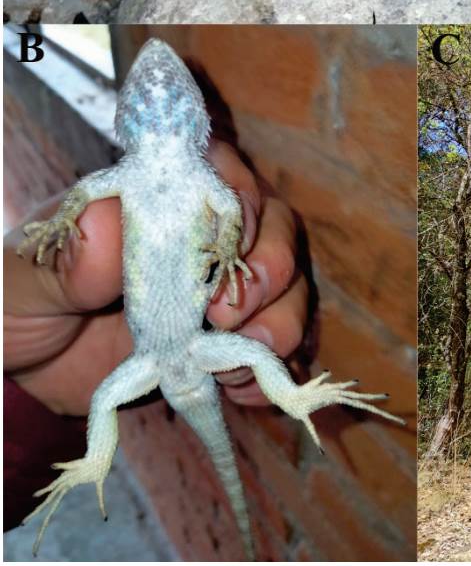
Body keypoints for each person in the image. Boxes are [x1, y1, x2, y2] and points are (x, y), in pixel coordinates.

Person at [4, 141, 307, 530]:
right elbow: (83, 193)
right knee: (108, 400)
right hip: (155, 359)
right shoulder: (133, 174)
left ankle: (295, 398)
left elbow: (230, 209)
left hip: (175, 351)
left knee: (253, 351)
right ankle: (95, 465)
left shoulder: (189, 173)